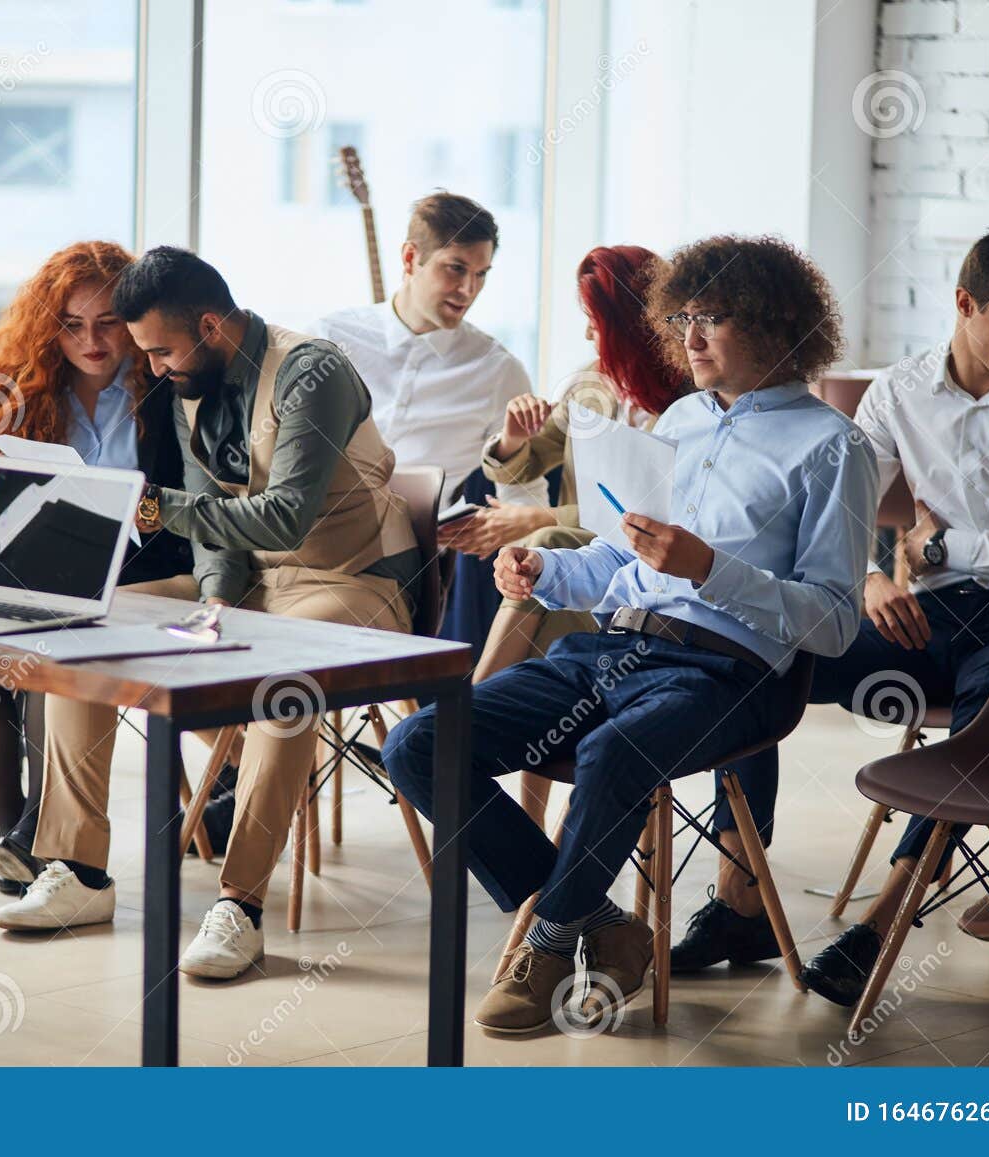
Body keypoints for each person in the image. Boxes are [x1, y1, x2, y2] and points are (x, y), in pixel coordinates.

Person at [382, 235, 877, 1034]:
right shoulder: (680, 418)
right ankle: (601, 923)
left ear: (774, 323)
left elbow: (835, 620)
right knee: (418, 743)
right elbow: (621, 555)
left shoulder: (833, 446)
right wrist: (545, 571)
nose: (690, 338)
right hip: (613, 648)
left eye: (713, 319)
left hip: (731, 674)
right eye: (683, 319)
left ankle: (550, 942)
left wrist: (711, 570)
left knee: (611, 752)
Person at [672, 225, 989, 1008]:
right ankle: (741, 901)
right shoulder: (899, 391)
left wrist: (939, 547)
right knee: (757, 654)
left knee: (983, 723)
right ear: (965, 303)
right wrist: (871, 575)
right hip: (923, 617)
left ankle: (880, 925)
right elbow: (838, 511)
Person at [5, 246, 419, 971]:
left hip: (352, 579)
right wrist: (216, 595)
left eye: (161, 351)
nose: (152, 367)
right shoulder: (189, 380)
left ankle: (240, 905)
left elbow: (285, 516)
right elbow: (211, 523)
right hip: (257, 585)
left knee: (286, 671)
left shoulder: (312, 372)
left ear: (209, 325)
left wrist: (151, 505)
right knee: (85, 626)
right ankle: (80, 871)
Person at [0, 240, 200, 905]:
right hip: (41, 569)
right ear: (48, 327)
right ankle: (21, 825)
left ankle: (32, 839)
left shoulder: (166, 387)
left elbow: (192, 507)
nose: (92, 341)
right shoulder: (24, 387)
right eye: (73, 325)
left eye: (108, 323)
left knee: (53, 647)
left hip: (144, 578)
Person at [309, 192, 547, 655]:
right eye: (455, 268)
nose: (468, 289)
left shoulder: (498, 371)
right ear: (410, 258)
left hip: (401, 570)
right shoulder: (330, 338)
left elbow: (524, 499)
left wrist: (504, 531)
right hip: (305, 540)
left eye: (481, 274)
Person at [471, 245, 692, 684]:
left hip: (649, 552)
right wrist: (514, 435)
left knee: (545, 542)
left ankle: (475, 697)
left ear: (625, 325)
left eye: (595, 322)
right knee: (516, 552)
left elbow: (667, 509)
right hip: (588, 546)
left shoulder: (689, 400)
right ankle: (495, 698)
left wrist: (541, 517)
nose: (588, 334)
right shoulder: (590, 384)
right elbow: (520, 468)